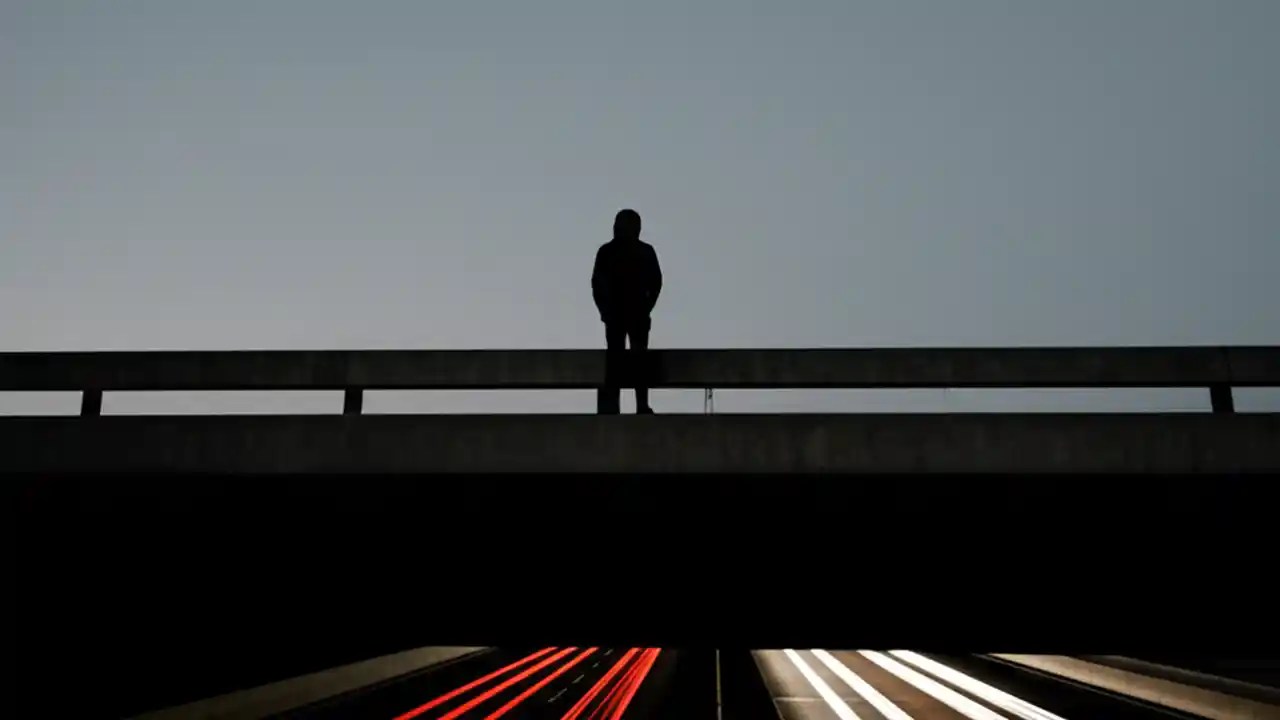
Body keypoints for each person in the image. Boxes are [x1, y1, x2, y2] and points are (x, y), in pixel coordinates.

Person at [592, 209, 662, 414]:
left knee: (637, 360)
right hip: (618, 314)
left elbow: (656, 283)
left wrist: (646, 307)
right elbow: (597, 284)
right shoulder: (606, 252)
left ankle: (640, 404)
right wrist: (604, 310)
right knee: (617, 360)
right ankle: (617, 405)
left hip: (635, 313)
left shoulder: (644, 252)